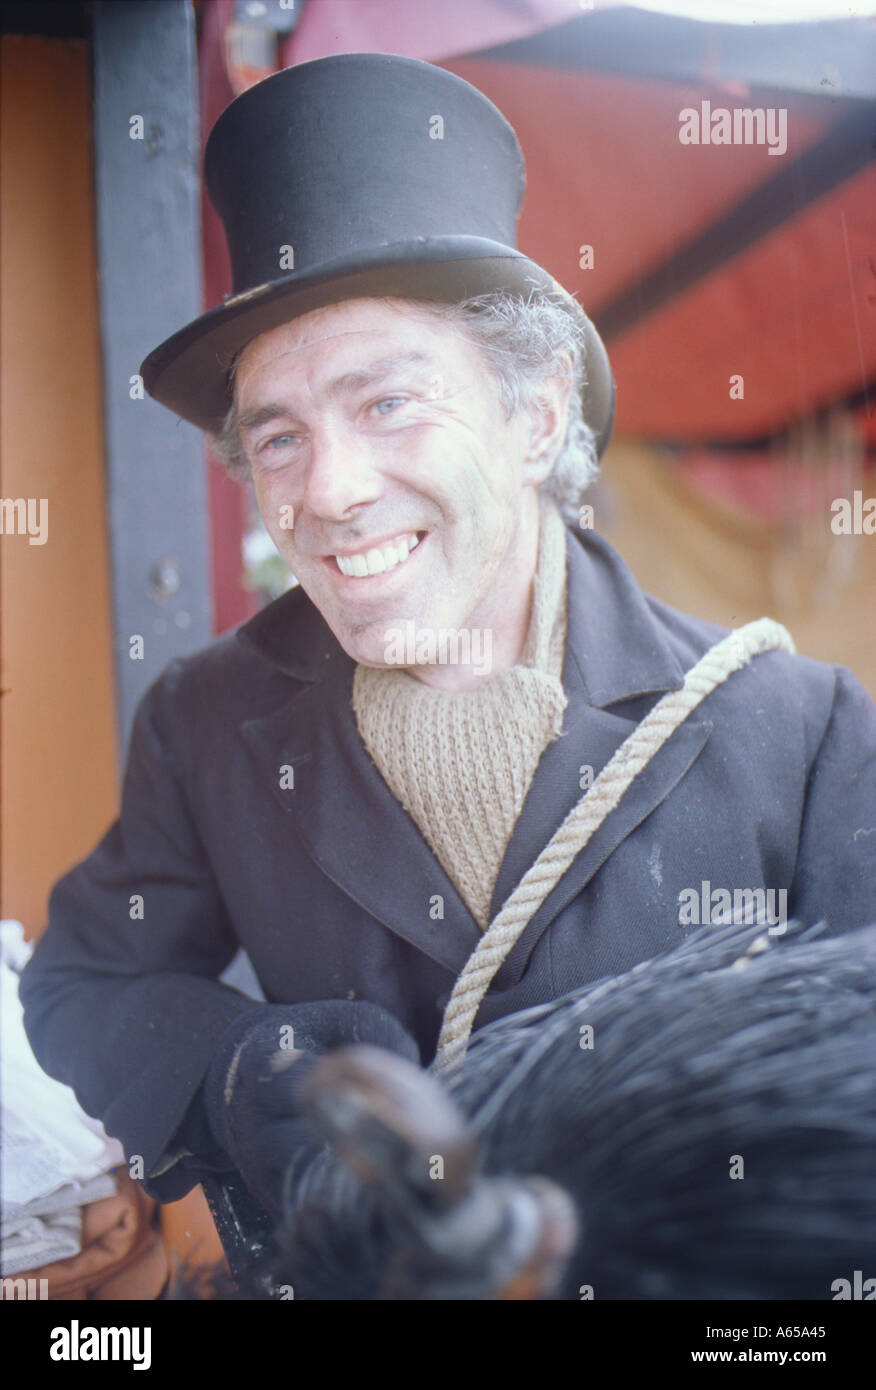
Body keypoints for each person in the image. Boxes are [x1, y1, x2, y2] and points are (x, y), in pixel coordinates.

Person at [19, 54, 876, 1227]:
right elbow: (86, 979)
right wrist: (237, 1070)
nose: (329, 489)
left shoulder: (804, 731)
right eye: (278, 438)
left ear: (533, 417)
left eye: (387, 403)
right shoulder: (207, 717)